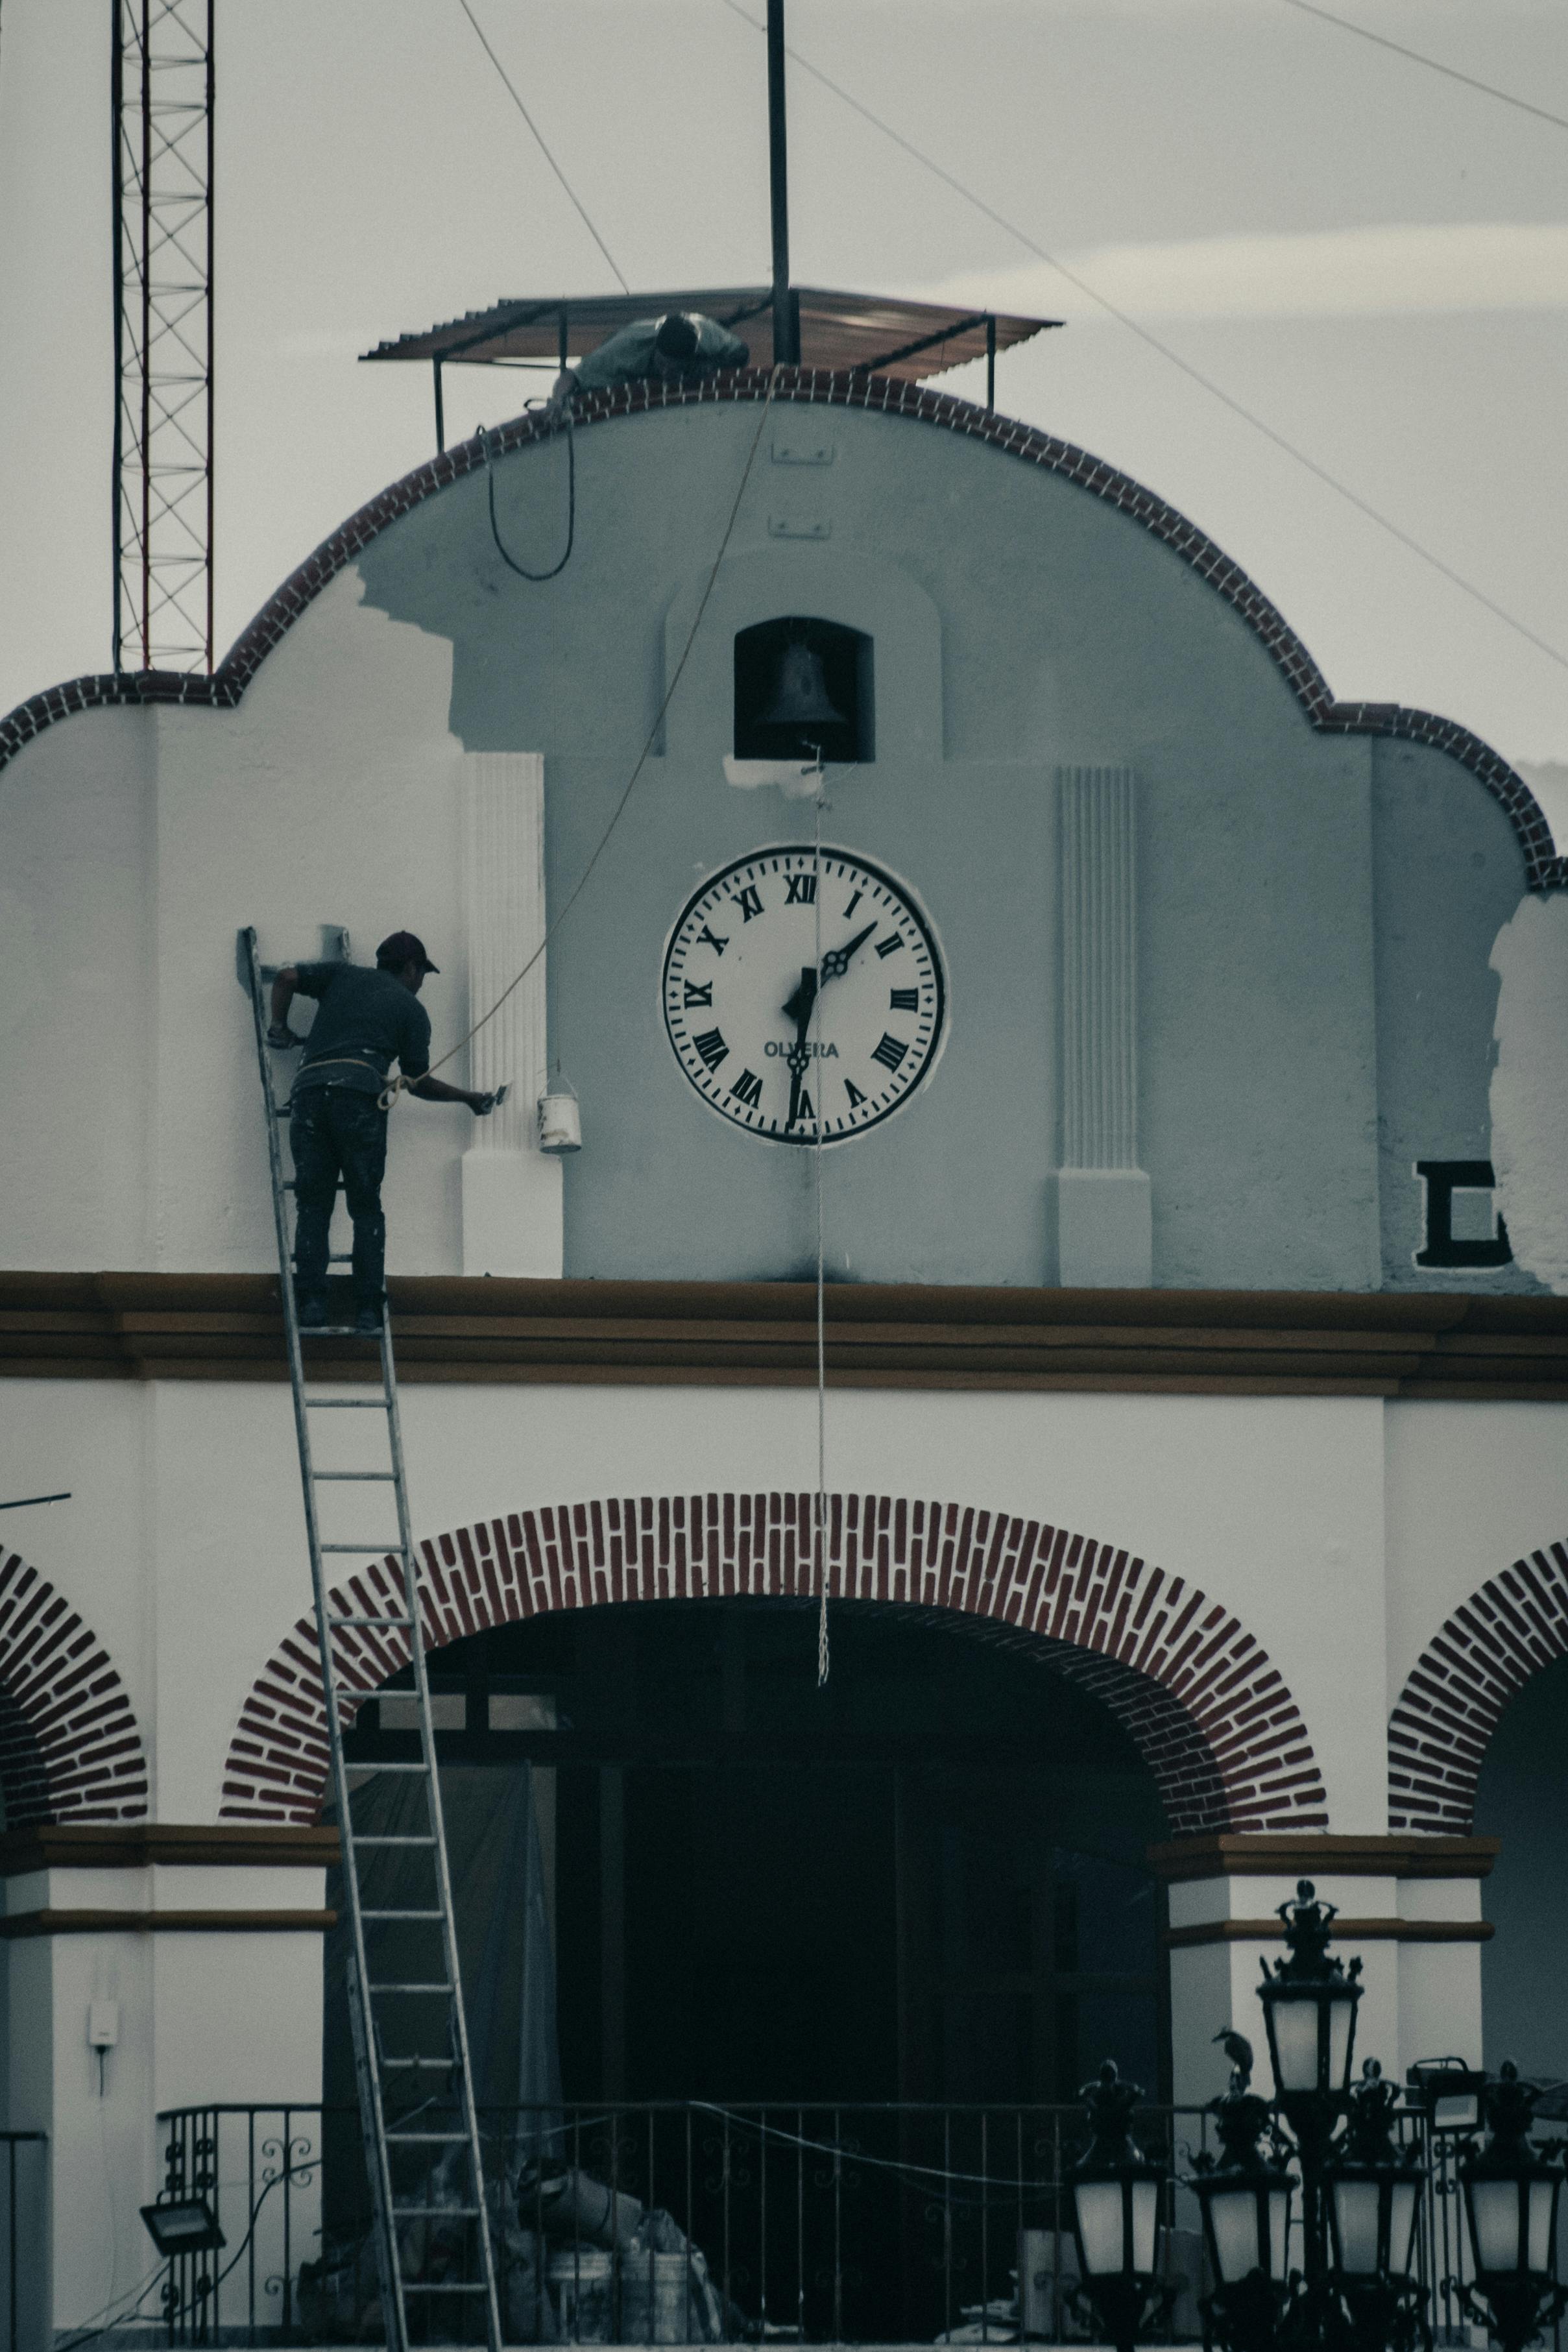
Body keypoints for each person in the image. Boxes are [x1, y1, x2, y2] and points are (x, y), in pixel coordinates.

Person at [266, 930, 496, 1334]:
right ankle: (369, 1309)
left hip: (309, 1097)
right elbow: (417, 1082)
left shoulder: (341, 976)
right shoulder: (410, 1010)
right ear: (410, 968)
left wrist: (278, 1028)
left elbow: (285, 979)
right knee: (365, 1209)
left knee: (313, 1206)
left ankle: (312, 1305)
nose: (422, 982)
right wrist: (469, 1098)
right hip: (358, 1101)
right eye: (422, 972)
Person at [546, 309, 749, 416]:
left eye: (676, 369)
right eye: (663, 365)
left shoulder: (709, 335)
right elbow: (571, 377)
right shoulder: (626, 347)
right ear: (655, 350)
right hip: (621, 381)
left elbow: (742, 353)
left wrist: (711, 367)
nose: (667, 373)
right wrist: (557, 402)